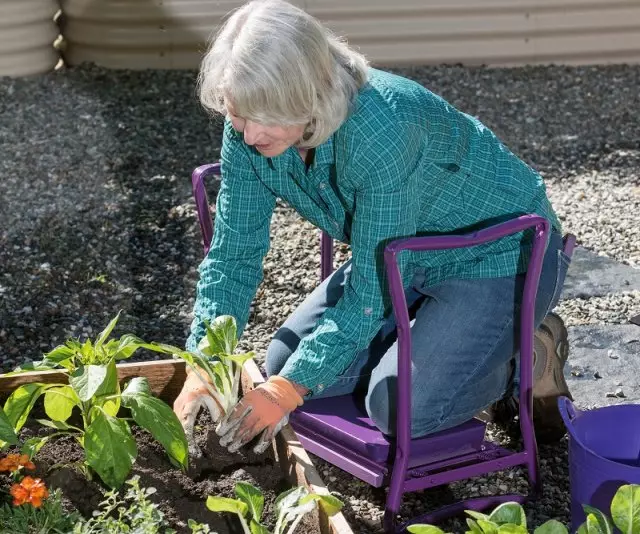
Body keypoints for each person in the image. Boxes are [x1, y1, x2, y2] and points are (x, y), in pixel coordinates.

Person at [172, 0, 572, 455]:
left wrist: (287, 391)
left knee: (398, 407)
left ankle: (524, 357)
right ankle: (442, 338)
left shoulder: (383, 128)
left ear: (309, 95)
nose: (246, 134)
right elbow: (232, 254)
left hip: (498, 257)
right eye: (236, 113)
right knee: (283, 360)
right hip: (401, 256)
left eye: (262, 114)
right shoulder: (247, 128)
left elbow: (371, 293)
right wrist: (204, 358)